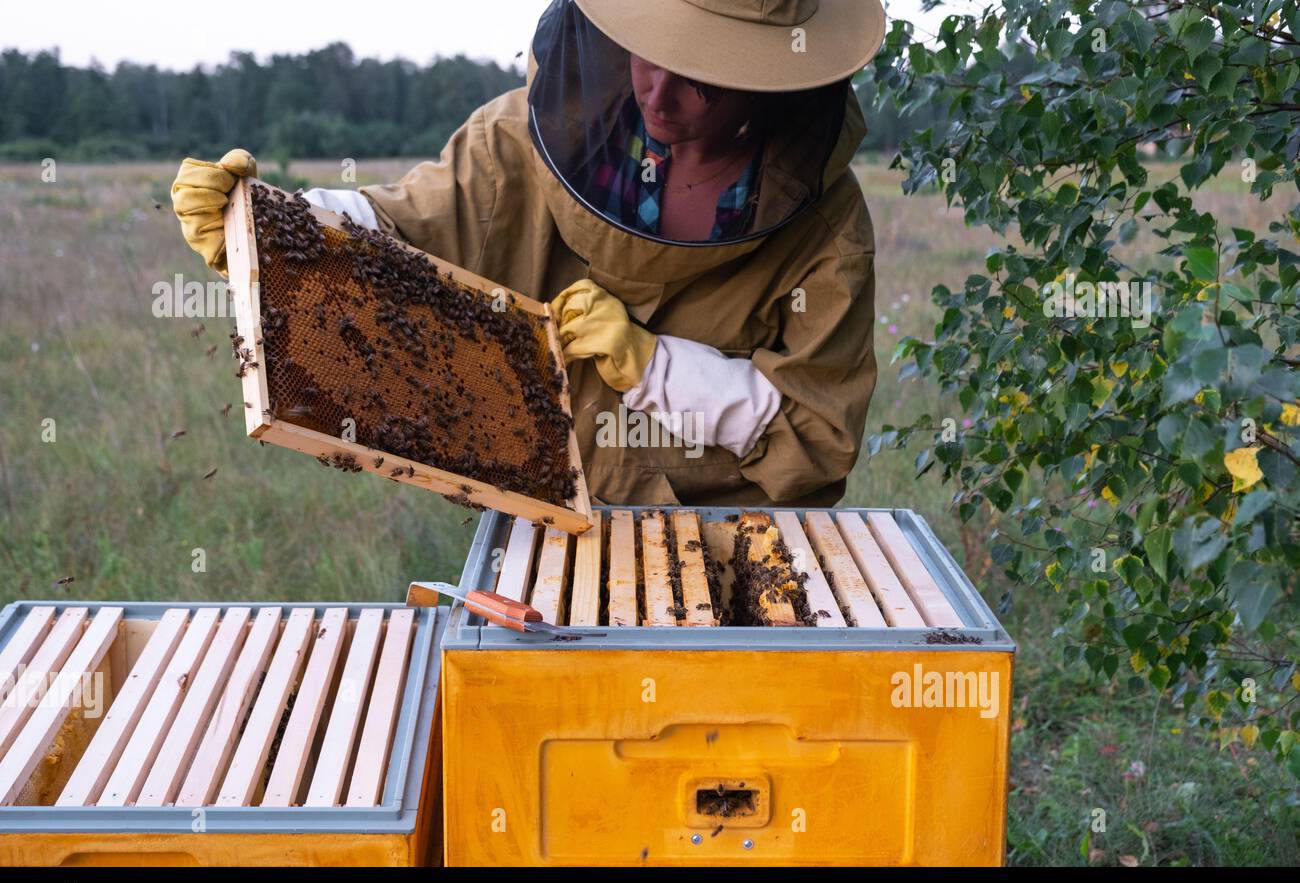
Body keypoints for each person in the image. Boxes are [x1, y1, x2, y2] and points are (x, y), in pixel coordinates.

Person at [172, 0, 886, 507]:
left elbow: (815, 439)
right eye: (648, 53)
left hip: (723, 550)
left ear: (772, 83)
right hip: (543, 531)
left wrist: (657, 368)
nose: (659, 95)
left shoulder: (827, 233)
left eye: (702, 79)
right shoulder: (523, 140)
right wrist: (265, 228)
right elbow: (404, 225)